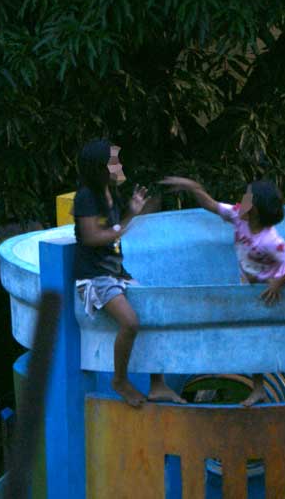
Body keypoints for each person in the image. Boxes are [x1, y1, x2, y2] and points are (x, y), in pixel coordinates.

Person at [160, 176, 285, 407]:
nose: (242, 199)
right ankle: (258, 389)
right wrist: (193, 187)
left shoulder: (270, 240)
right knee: (253, 338)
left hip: (275, 295)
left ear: (255, 209)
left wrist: (279, 282)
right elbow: (211, 205)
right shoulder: (239, 217)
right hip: (252, 293)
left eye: (247, 196)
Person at [74, 139, 184, 407]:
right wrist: (123, 226)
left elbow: (115, 229)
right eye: (114, 162)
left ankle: (158, 384)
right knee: (130, 322)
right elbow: (91, 236)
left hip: (115, 272)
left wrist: (132, 211)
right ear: (100, 168)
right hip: (94, 277)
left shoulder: (110, 193)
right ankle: (120, 380)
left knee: (153, 313)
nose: (120, 165)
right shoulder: (87, 197)